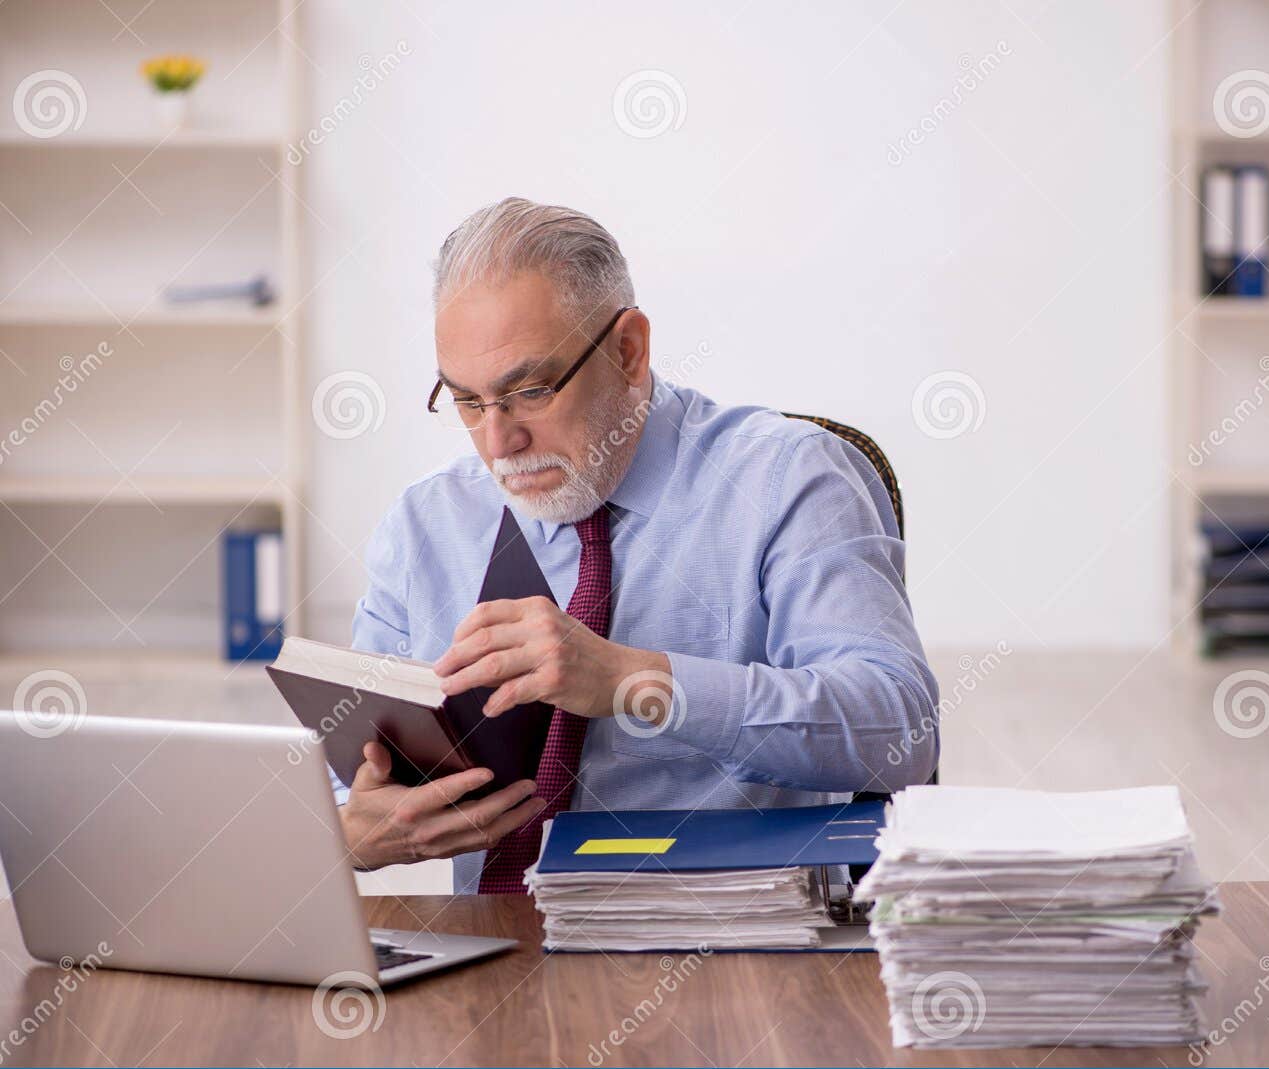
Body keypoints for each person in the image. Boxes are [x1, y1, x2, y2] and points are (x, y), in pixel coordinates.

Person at [338, 198, 938, 894]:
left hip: (734, 945)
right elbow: (348, 775)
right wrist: (356, 833)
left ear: (628, 350)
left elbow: (899, 728)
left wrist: (635, 681)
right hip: (497, 955)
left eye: (530, 391)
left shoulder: (789, 477)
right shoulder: (425, 524)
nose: (498, 443)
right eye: (468, 402)